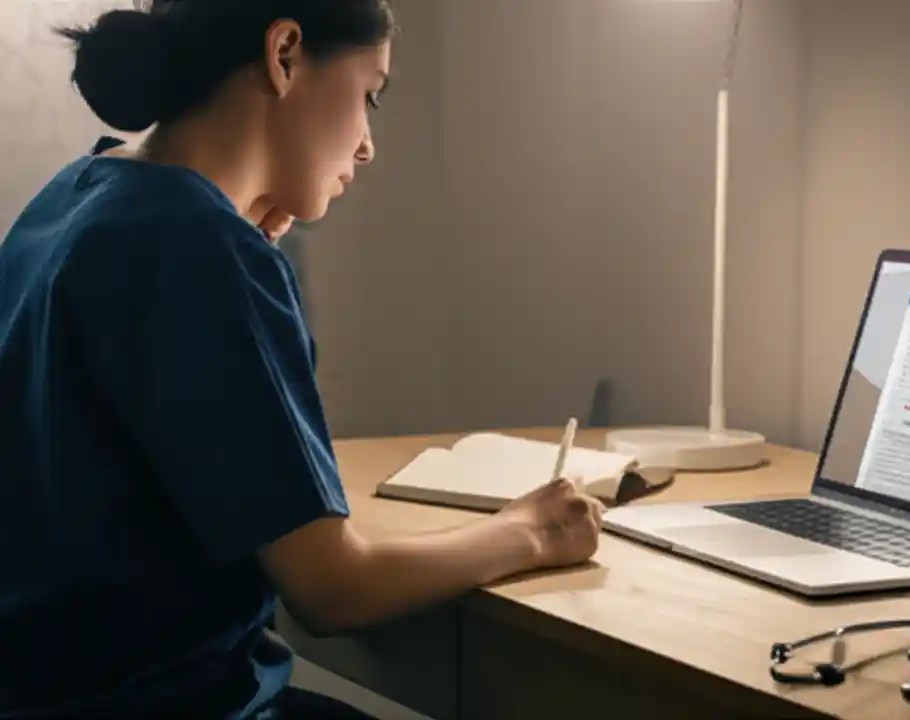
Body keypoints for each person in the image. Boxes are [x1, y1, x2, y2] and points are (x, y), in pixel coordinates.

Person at [0, 1, 604, 718]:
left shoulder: (77, 194)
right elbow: (334, 588)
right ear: (285, 53)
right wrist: (532, 530)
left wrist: (247, 253)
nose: (368, 144)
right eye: (369, 93)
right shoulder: (198, 247)